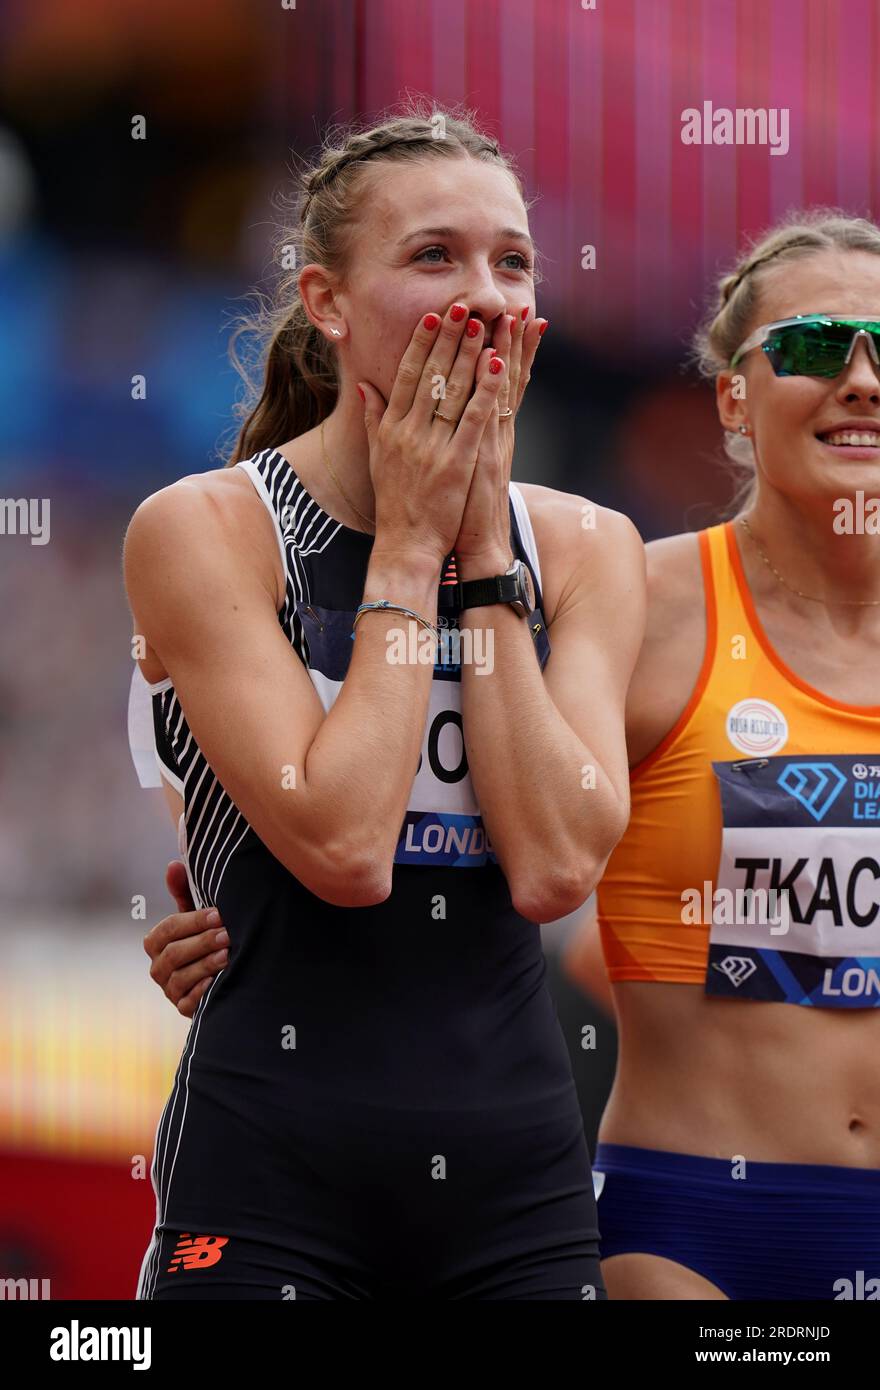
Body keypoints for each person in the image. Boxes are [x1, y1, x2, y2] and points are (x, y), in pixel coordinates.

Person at [124, 102, 645, 1301]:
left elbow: (558, 870)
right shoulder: (207, 529)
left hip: (516, 1169)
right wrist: (412, 547)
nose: (487, 295)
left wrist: (481, 553)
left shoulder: (585, 544)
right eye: (433, 256)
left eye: (511, 260)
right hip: (270, 1166)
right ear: (326, 302)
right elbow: (347, 846)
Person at [562, 209, 880, 1300]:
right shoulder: (639, 605)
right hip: (692, 1220)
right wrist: (250, 930)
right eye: (809, 346)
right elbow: (468, 846)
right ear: (732, 396)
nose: (861, 379)